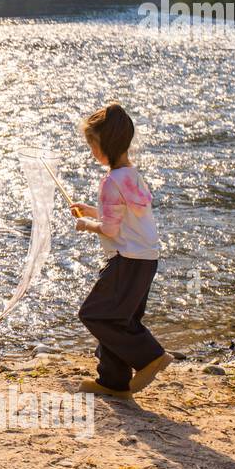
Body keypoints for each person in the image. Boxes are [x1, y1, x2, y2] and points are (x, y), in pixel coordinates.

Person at [70, 104, 175, 398]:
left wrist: (85, 224)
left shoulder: (110, 182)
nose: (92, 152)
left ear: (105, 146)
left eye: (92, 145)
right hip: (146, 258)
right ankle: (113, 381)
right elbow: (122, 215)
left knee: (95, 314)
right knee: (120, 320)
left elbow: (110, 229)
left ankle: (150, 355)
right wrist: (92, 211)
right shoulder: (131, 175)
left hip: (126, 260)